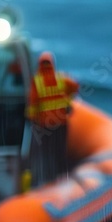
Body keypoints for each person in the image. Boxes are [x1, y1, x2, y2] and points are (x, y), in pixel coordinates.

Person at [26, 52, 79, 185]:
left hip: (45, 125)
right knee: (60, 151)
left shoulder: (37, 82)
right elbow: (75, 86)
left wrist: (31, 118)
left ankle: (47, 179)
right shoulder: (61, 79)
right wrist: (68, 100)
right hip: (60, 123)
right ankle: (61, 176)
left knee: (45, 153)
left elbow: (32, 103)